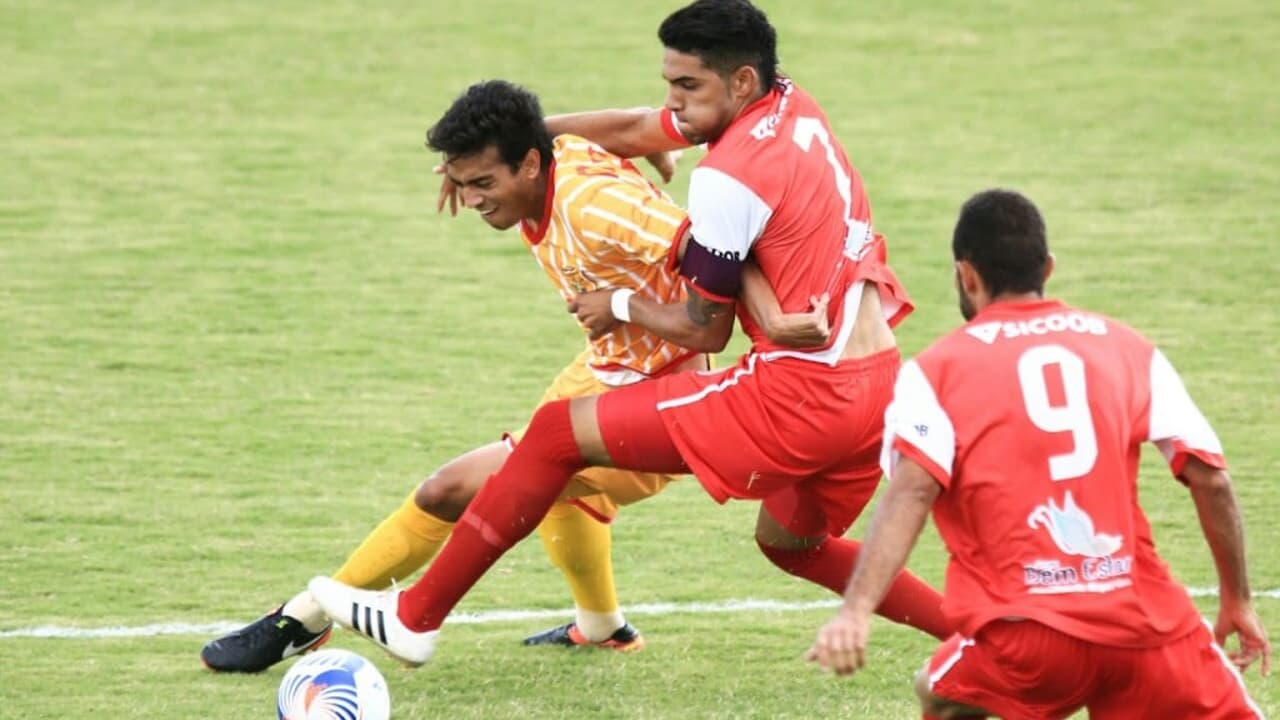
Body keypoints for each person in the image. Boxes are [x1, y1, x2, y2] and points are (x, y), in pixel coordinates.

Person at [309, 0, 951, 667]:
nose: (673, 103)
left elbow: (706, 329)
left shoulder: (726, 178)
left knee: (555, 434)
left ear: (739, 83)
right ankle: (971, 630)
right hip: (878, 387)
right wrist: (509, 144)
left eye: (686, 87)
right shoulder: (792, 105)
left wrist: (617, 301)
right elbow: (642, 126)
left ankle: (414, 617)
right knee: (791, 544)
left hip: (800, 395)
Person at [199, 78, 811, 673]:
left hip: (659, 403)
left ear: (528, 166)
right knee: (563, 499)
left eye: (484, 183)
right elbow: (607, 127)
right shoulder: (548, 158)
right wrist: (475, 172)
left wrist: (761, 320)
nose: (473, 200)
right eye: (463, 184)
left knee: (450, 490)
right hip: (605, 371)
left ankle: (302, 617)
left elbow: (716, 260)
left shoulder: (594, 209)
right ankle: (602, 628)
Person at [806, 189, 1270, 718]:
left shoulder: (937, 371)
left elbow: (912, 490)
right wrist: (1237, 599)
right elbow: (1210, 479)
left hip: (1029, 637)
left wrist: (857, 611)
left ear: (967, 276)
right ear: (1048, 267)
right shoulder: (1128, 347)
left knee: (941, 694)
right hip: (1145, 628)